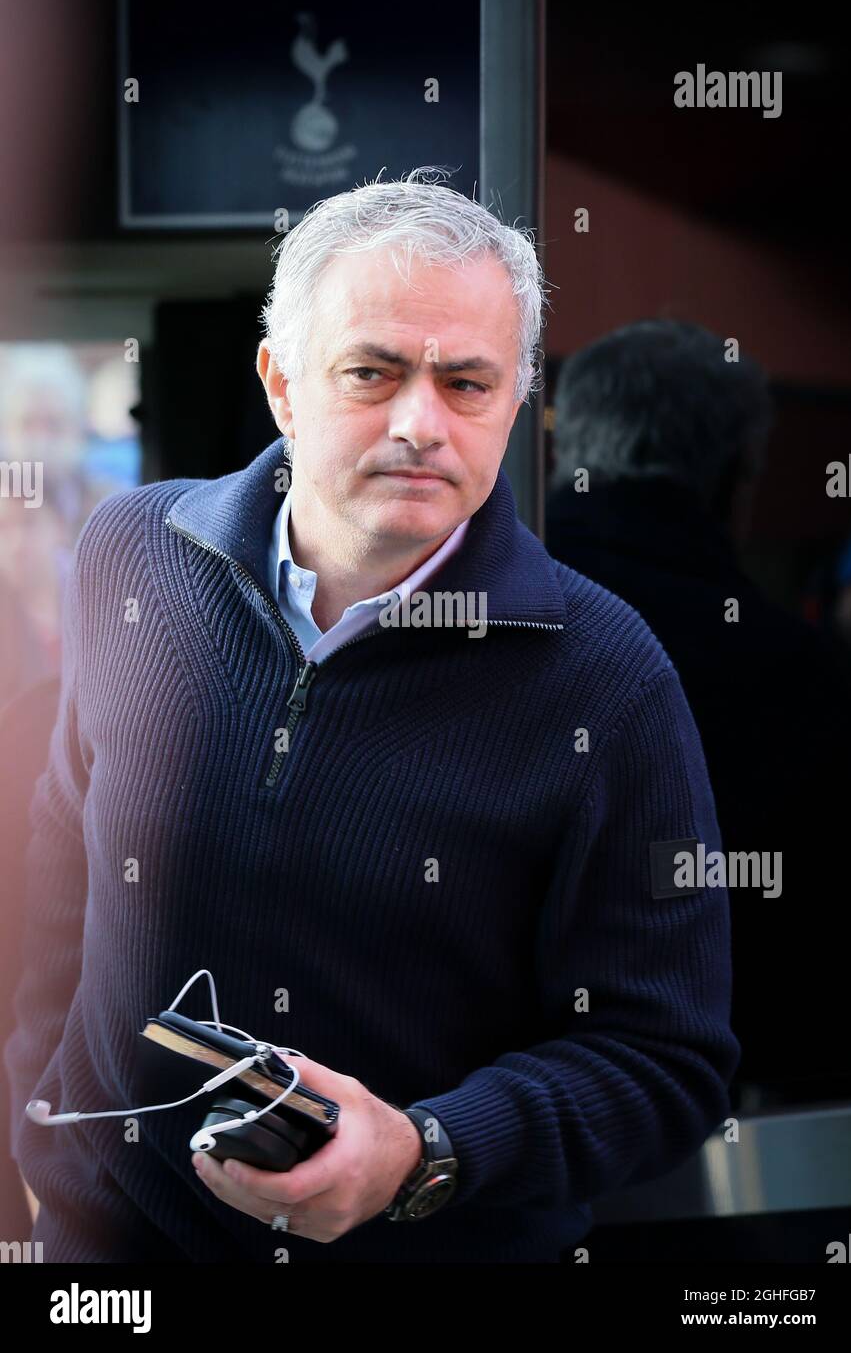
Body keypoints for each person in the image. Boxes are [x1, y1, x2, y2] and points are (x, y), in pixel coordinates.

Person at [4, 172, 738, 1264]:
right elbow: (61, 861)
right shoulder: (131, 554)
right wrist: (38, 1115)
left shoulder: (607, 677)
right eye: (373, 372)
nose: (418, 423)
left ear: (514, 402)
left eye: (466, 382)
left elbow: (661, 1059)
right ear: (281, 382)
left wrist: (421, 1150)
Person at [545, 321, 851, 1102]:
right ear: (734, 477)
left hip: (506, 1126)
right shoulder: (794, 675)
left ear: (564, 449)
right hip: (738, 1123)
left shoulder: (480, 617)